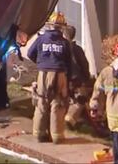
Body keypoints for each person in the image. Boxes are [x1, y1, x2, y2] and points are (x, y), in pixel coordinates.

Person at [26, 12, 73, 144]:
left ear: (49, 26)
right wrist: (68, 82)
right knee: (58, 104)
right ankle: (57, 136)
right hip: (60, 74)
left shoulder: (41, 39)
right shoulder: (64, 42)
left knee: (41, 102)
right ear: (62, 27)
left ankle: (39, 135)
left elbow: (30, 53)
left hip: (43, 74)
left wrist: (41, 63)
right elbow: (69, 63)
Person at [63, 24, 93, 129]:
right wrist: (86, 78)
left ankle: (66, 118)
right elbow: (84, 65)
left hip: (64, 79)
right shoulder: (77, 49)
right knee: (81, 100)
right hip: (76, 80)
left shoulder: (61, 48)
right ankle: (70, 119)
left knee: (66, 98)